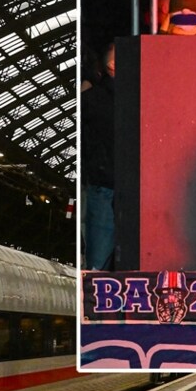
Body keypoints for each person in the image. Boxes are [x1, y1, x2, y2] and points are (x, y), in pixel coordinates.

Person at [81, 42, 115, 270]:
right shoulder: (135, 97)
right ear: (112, 65)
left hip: (103, 184)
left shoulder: (89, 98)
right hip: (109, 186)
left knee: (98, 265)